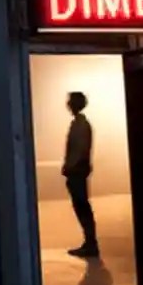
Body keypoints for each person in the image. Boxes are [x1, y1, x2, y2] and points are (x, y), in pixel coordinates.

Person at [62, 91, 99, 258]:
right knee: (82, 205)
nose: (68, 104)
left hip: (77, 170)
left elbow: (79, 149)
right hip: (77, 169)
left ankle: (91, 243)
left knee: (82, 206)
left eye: (70, 101)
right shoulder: (79, 123)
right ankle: (89, 242)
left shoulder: (80, 125)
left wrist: (70, 166)